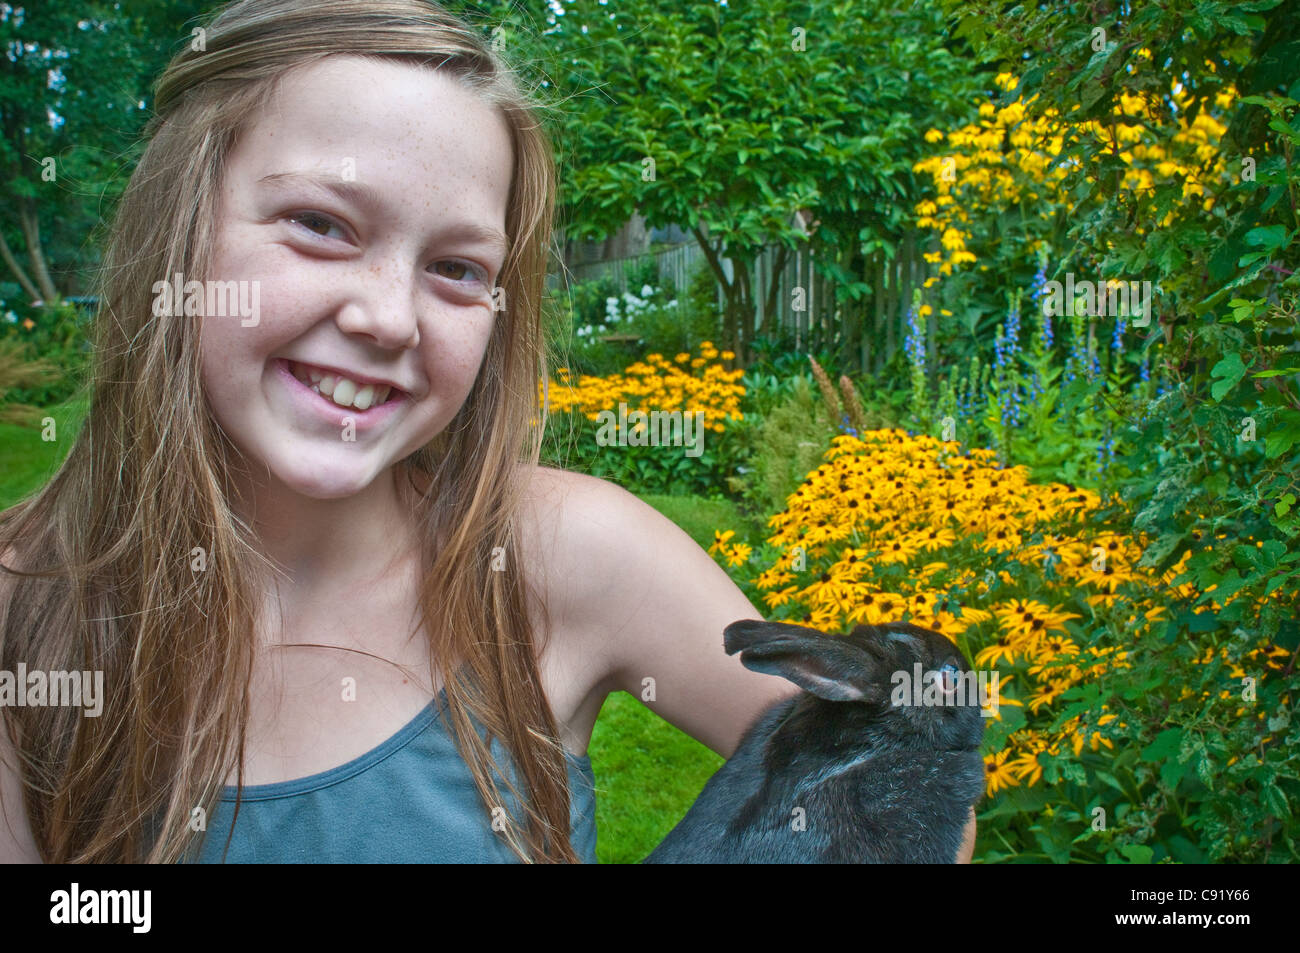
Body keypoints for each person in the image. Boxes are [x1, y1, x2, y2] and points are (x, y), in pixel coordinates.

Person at [0, 0, 975, 863]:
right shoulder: (26, 608)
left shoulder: (569, 557)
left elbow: (907, 753)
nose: (389, 316)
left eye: (458, 268)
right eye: (321, 224)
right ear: (178, 228)